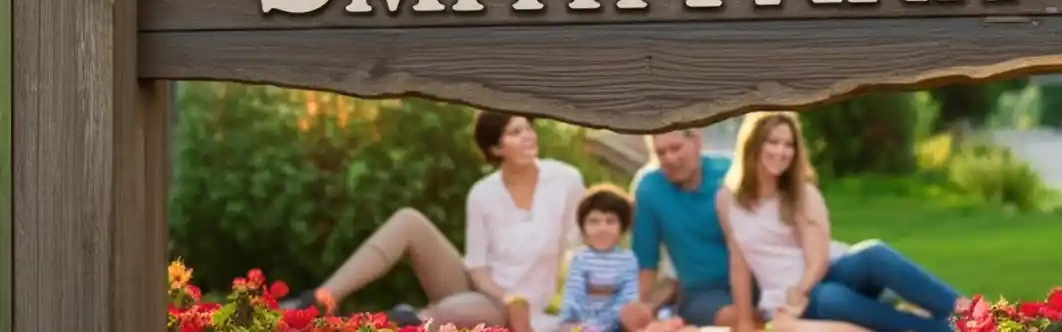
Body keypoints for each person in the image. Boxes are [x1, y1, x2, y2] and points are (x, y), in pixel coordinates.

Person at [285, 112, 586, 331]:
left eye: (528, 129)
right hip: (484, 290)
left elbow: (581, 251)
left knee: (451, 312)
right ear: (495, 149)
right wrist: (503, 296)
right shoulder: (483, 193)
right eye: (516, 132)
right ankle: (319, 300)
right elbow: (477, 267)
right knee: (409, 221)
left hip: (520, 308)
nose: (529, 137)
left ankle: (392, 322)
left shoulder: (566, 180)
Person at [717, 111, 967, 332]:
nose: (781, 152)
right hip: (786, 297)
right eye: (772, 142)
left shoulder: (801, 193)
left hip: (819, 278)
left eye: (788, 145)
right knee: (830, 299)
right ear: (752, 145)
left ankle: (980, 317)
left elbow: (818, 262)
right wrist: (745, 321)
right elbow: (739, 262)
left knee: (875, 253)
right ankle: (945, 329)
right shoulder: (727, 200)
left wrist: (798, 293)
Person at [619, 129, 752, 332]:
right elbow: (645, 262)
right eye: (661, 153)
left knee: (763, 313)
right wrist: (640, 305)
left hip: (753, 281)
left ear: (697, 141)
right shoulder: (649, 190)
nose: (670, 158)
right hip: (702, 294)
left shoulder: (728, 174)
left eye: (676, 148)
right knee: (737, 317)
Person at [557, 184, 640, 332]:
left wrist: (603, 325)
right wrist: (577, 323)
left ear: (622, 227)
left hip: (615, 324)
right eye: (594, 222)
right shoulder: (580, 258)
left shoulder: (628, 260)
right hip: (581, 323)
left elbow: (627, 298)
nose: (602, 229)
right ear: (583, 227)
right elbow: (574, 295)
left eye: (610, 221)